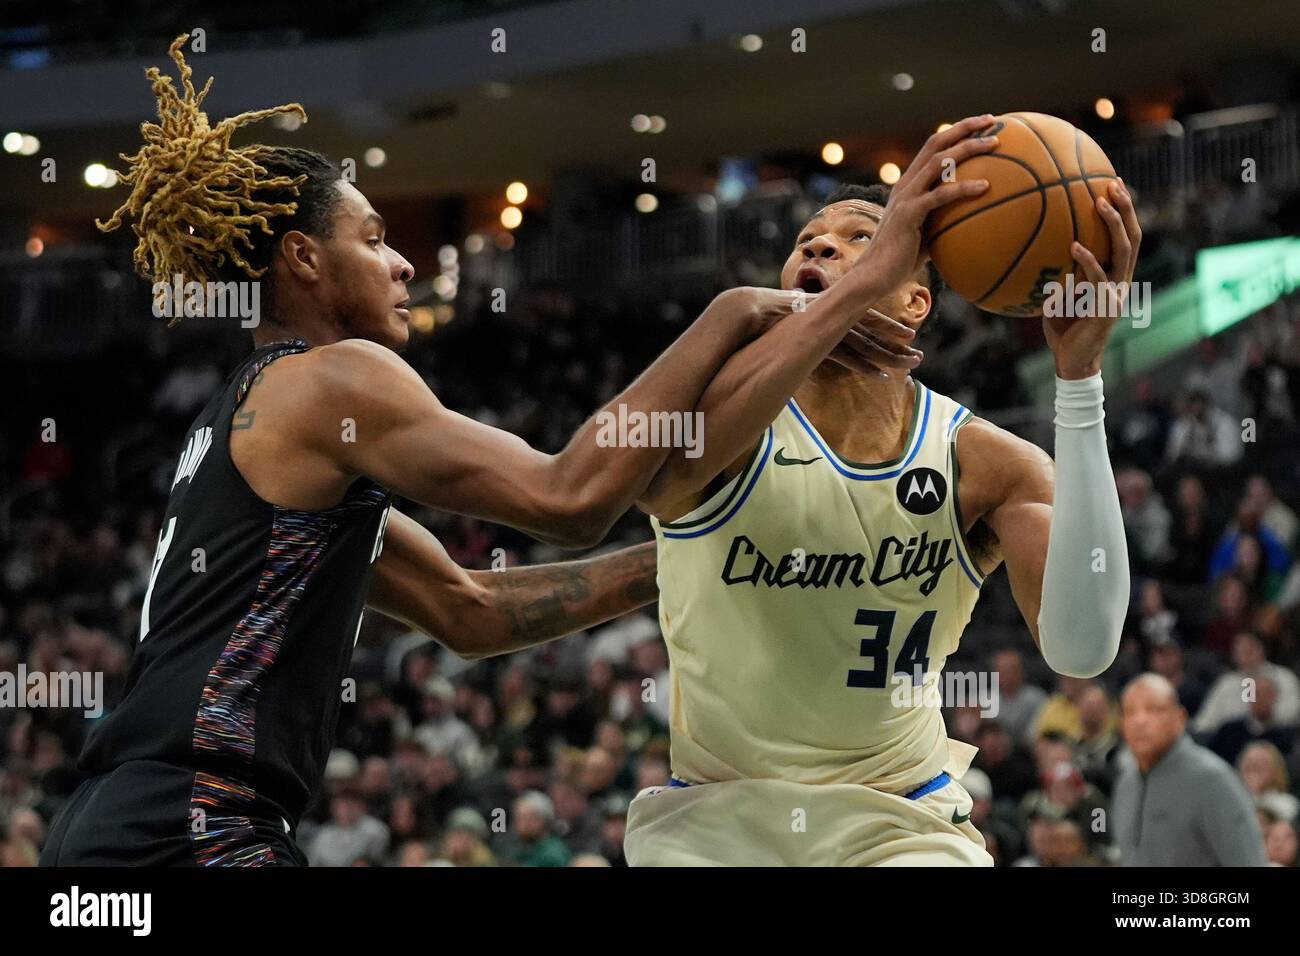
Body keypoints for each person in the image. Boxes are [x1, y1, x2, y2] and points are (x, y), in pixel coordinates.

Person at [40, 36, 915, 868]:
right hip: (195, 827)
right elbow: (568, 498)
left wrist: (693, 549)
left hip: (114, 829)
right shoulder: (332, 380)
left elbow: (471, 611)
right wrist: (729, 312)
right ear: (304, 258)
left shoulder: (249, 425)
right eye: (375, 238)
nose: (403, 267)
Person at [625, 138, 1141, 864]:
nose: (823, 248)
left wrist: (1080, 382)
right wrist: (854, 287)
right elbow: (658, 479)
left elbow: (1083, 648)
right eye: (808, 242)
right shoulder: (725, 423)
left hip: (899, 815)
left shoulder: (986, 464)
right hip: (714, 816)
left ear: (916, 299)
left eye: (860, 240)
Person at [1112, 673, 1266, 866]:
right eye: (1130, 712)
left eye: (1153, 710)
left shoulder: (1212, 779)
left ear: (1180, 718)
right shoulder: (1126, 784)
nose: (1139, 721)